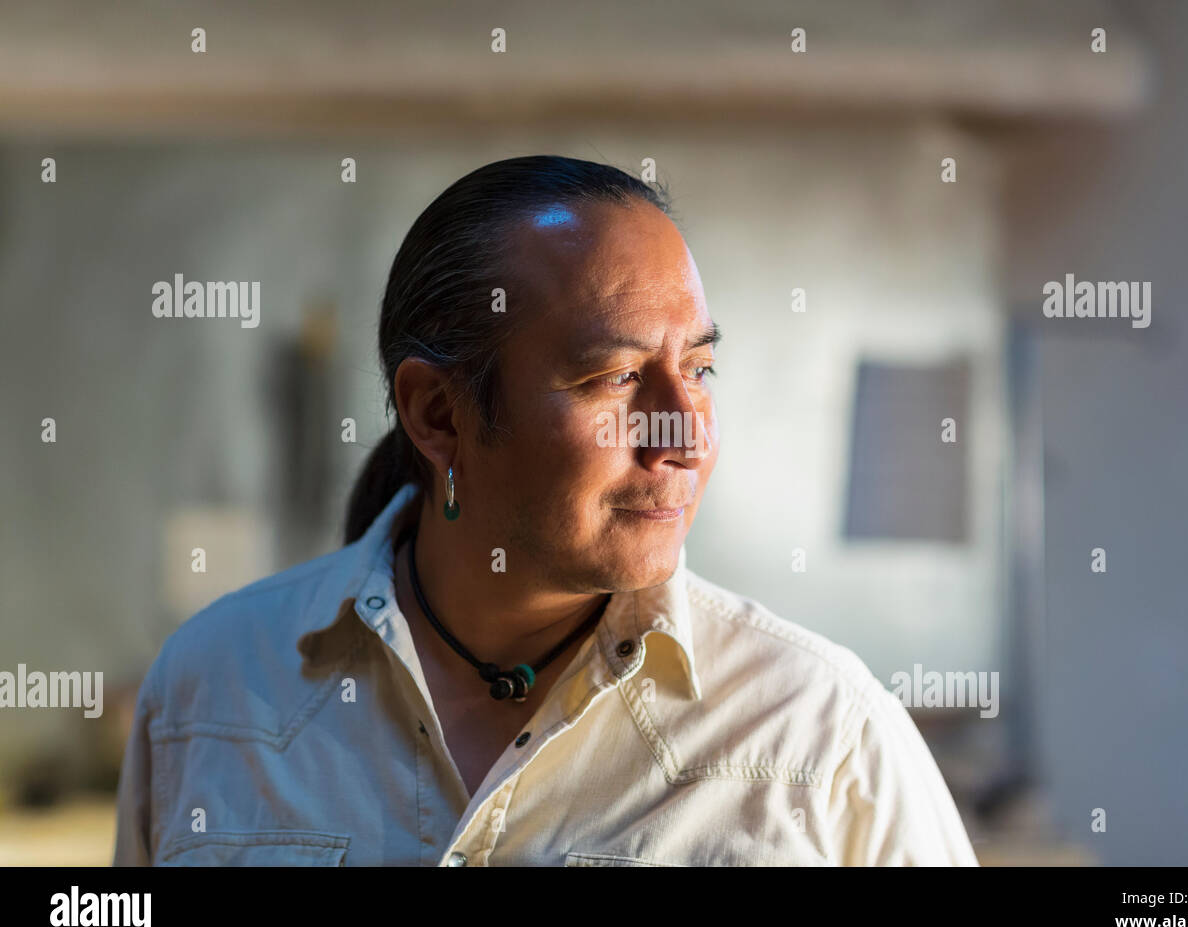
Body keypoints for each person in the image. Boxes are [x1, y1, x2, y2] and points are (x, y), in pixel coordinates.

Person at [113, 155, 978, 866]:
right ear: (439, 415)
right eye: (614, 378)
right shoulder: (211, 690)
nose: (683, 434)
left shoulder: (822, 736)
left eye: (701, 370)